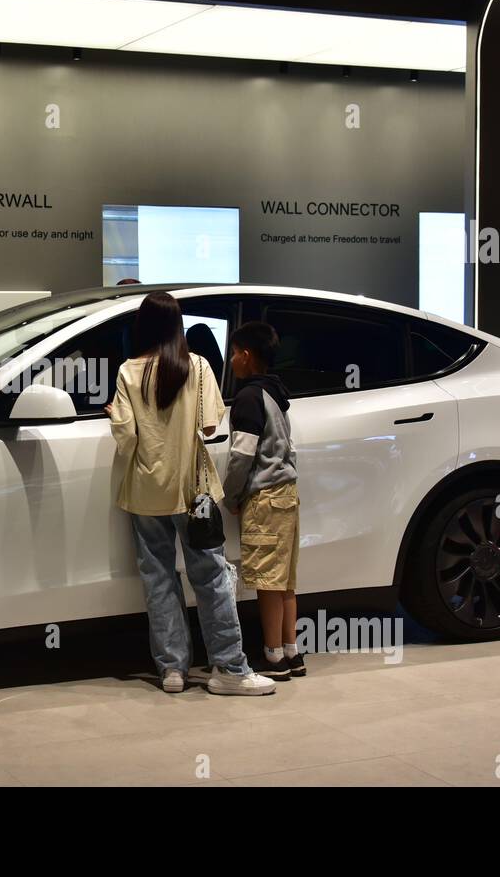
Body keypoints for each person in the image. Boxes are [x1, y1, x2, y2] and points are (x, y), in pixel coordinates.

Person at [107, 292, 275, 696]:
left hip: (146, 491)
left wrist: (115, 415)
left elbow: (128, 438)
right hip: (194, 490)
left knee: (158, 577)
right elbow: (210, 428)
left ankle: (172, 670)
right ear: (177, 326)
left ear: (142, 327)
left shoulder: (127, 373)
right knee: (211, 575)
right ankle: (229, 668)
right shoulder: (197, 366)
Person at [221, 322, 304, 682]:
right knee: (285, 581)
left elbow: (242, 454)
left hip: (264, 498)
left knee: (268, 581)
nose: (231, 360)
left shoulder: (249, 398)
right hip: (288, 494)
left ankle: (272, 656)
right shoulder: (276, 392)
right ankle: (292, 651)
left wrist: (232, 495)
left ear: (246, 355)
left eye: (234, 353)